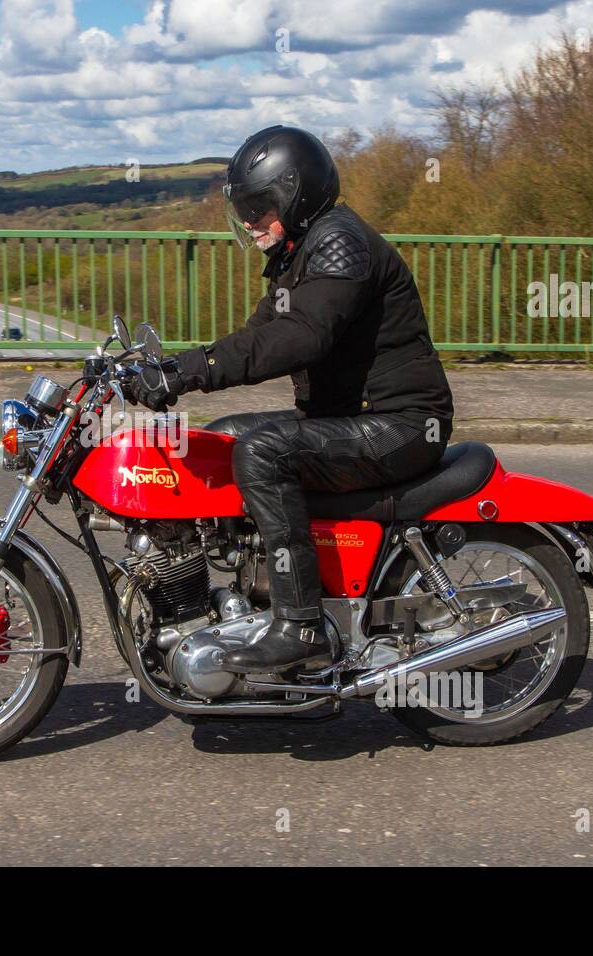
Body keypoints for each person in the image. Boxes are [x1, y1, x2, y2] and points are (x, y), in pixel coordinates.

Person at [129, 125, 454, 675]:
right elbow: (256, 336)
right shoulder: (297, 252)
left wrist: (192, 370)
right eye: (246, 207)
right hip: (353, 417)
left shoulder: (339, 243)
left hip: (400, 424)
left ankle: (300, 625)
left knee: (263, 452)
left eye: (260, 205)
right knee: (225, 435)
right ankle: (245, 591)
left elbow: (302, 336)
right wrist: (169, 370)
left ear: (294, 195)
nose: (251, 220)